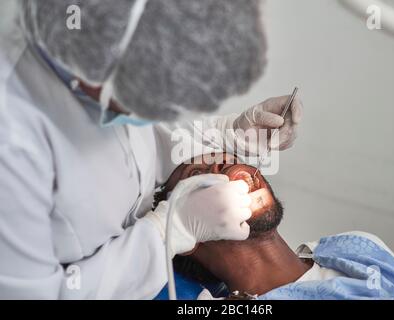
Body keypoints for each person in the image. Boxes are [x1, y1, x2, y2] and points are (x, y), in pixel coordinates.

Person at [0, 0, 302, 299]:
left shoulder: (123, 58)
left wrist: (231, 134)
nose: (167, 108)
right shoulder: (13, 142)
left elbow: (140, 138)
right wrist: (168, 232)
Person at [153, 153, 394, 300]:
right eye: (198, 175)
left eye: (225, 158)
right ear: (187, 235)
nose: (223, 165)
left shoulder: (355, 247)